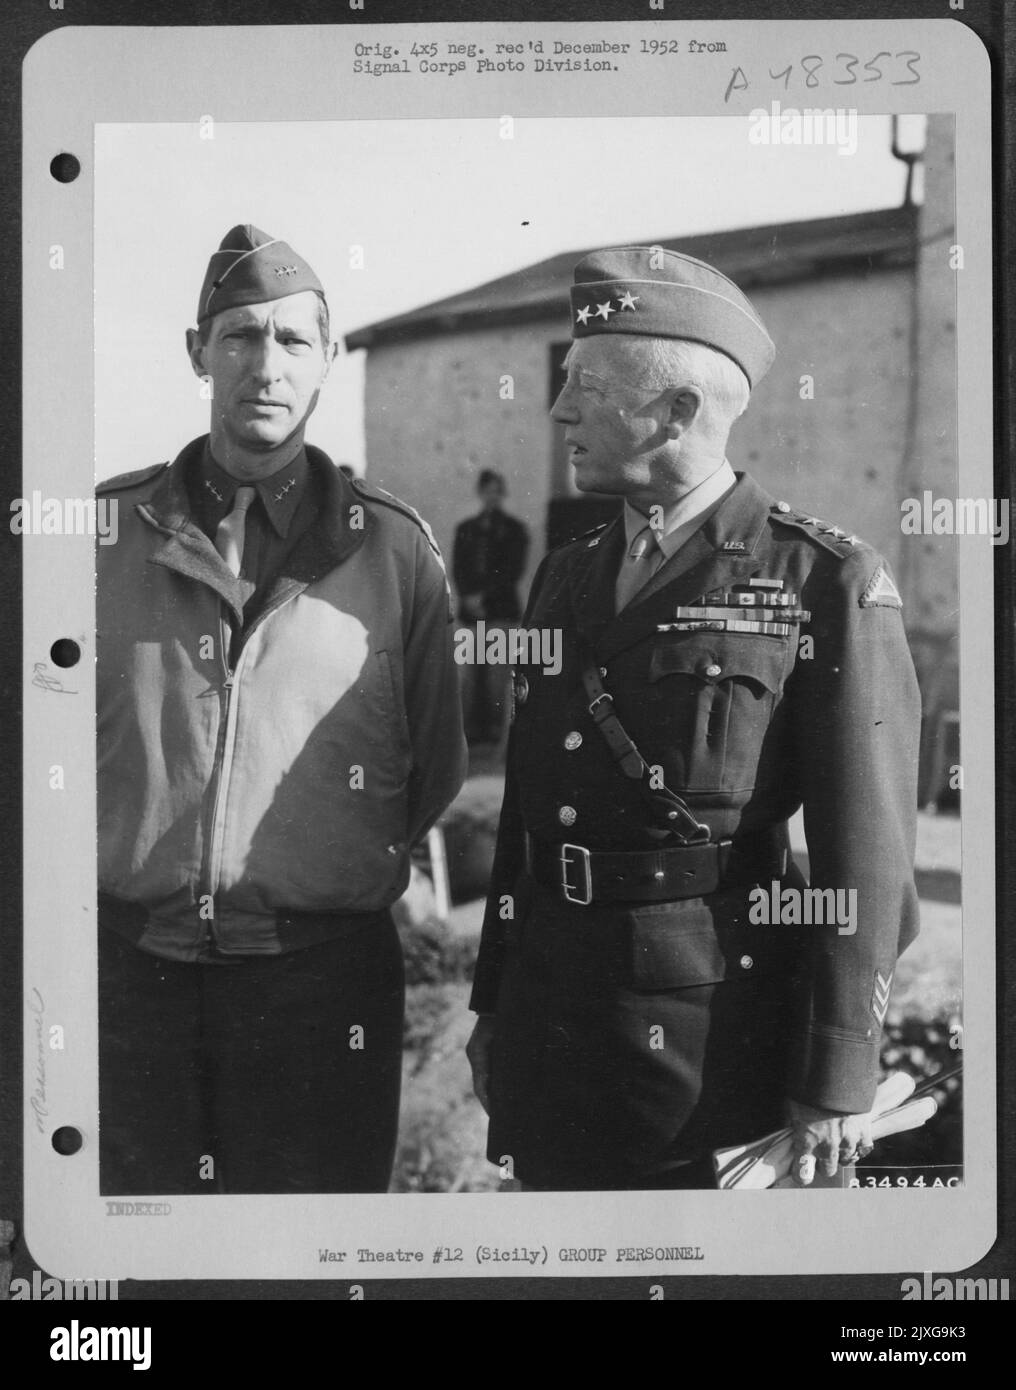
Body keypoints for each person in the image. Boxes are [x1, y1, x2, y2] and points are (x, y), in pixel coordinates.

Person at [467, 246, 921, 1191]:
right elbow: (526, 810)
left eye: (587, 387)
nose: (558, 411)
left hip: (712, 1038)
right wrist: (492, 1002)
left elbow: (866, 860)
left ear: (677, 412)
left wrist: (839, 1071)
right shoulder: (564, 575)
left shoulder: (822, 581)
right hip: (551, 1014)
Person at [96, 224, 467, 1195]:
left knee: (301, 1261)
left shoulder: (393, 553)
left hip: (319, 988)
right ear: (195, 351)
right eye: (239, 336)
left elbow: (430, 766)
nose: (266, 364)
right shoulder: (97, 538)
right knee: (137, 1259)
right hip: (126, 979)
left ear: (330, 359)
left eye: (293, 340)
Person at [452, 470, 529, 745]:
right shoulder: (466, 529)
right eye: (488, 490)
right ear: (481, 492)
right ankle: (470, 736)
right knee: (469, 678)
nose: (492, 496)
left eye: (497, 490)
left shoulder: (515, 530)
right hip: (470, 616)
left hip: (501, 614)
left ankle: (500, 738)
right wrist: (468, 599)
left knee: (499, 678)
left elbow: (512, 571)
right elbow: (458, 569)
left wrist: (483, 598)